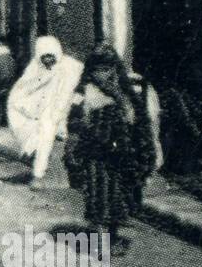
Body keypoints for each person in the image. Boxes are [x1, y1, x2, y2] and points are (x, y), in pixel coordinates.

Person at [64, 44, 158, 252]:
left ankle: (113, 235)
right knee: (99, 195)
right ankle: (101, 240)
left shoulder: (124, 89)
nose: (103, 74)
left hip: (122, 154)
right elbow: (74, 121)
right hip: (95, 154)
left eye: (107, 68)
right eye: (98, 69)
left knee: (119, 195)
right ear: (91, 70)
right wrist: (73, 146)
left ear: (115, 68)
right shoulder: (83, 92)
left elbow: (139, 118)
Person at [7, 35, 84, 186]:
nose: (48, 60)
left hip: (68, 109)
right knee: (41, 137)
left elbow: (76, 88)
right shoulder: (35, 67)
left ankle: (58, 176)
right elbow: (23, 88)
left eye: (51, 56)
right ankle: (39, 174)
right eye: (44, 57)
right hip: (44, 111)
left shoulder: (70, 67)